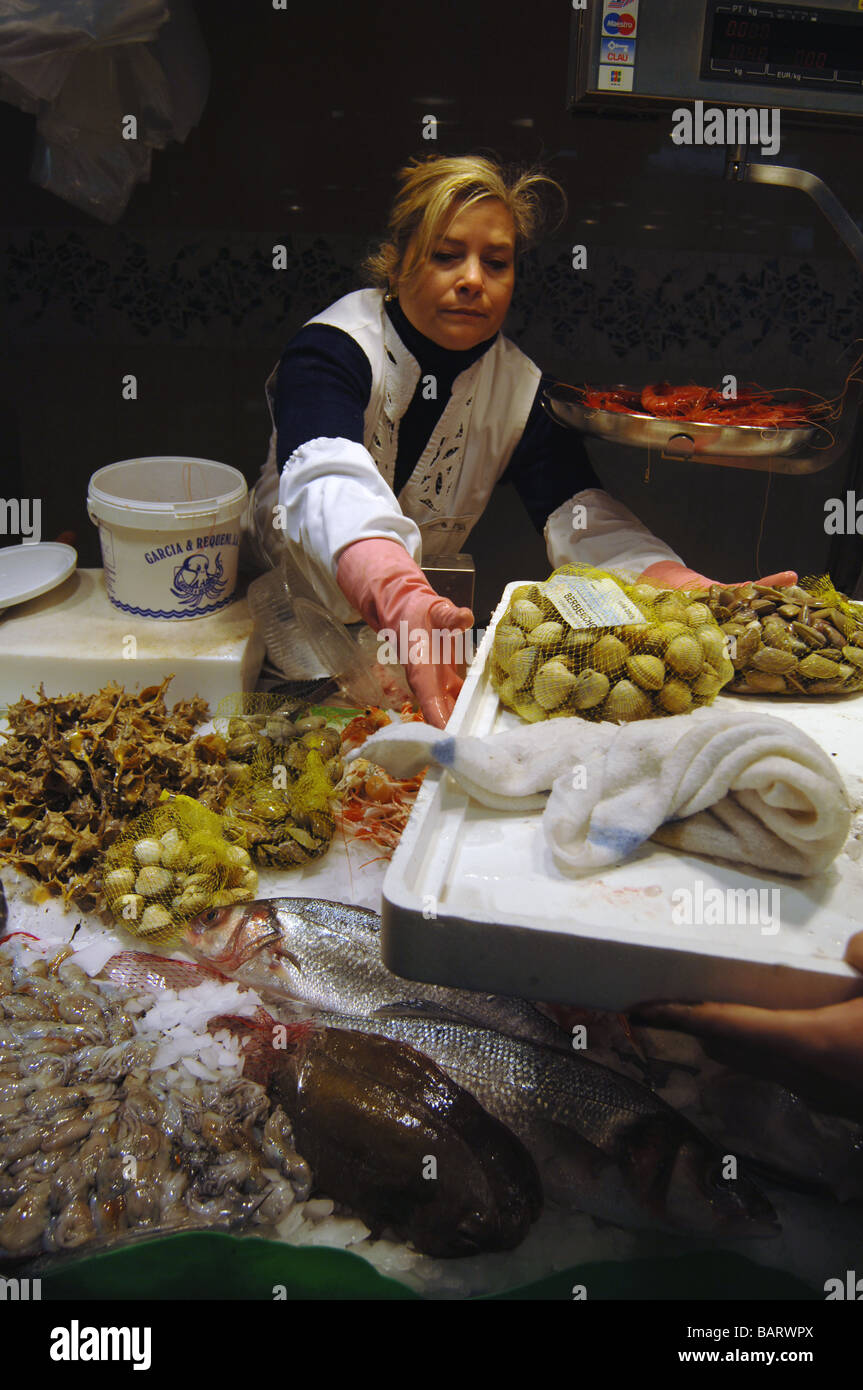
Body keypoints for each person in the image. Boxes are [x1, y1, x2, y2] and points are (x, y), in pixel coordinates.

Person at [248, 154, 794, 726]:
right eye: (446, 255)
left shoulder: (519, 387)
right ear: (399, 259)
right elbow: (326, 475)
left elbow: (580, 513)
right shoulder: (331, 349)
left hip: (420, 642)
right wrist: (395, 591)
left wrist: (681, 588)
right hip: (288, 641)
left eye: (497, 262)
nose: (472, 279)